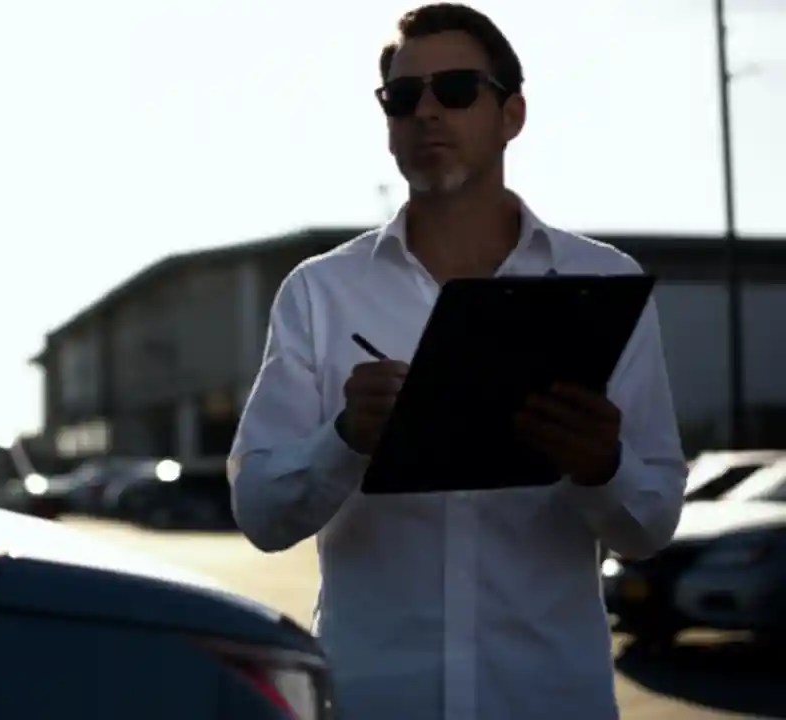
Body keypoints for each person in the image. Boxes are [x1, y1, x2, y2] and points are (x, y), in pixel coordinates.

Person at [226, 4, 686, 719]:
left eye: (458, 90)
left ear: (513, 114)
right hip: (375, 703)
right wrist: (345, 438)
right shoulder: (320, 293)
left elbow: (651, 525)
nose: (428, 112)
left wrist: (602, 466)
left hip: (548, 701)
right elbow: (260, 511)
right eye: (405, 98)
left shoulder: (601, 284)